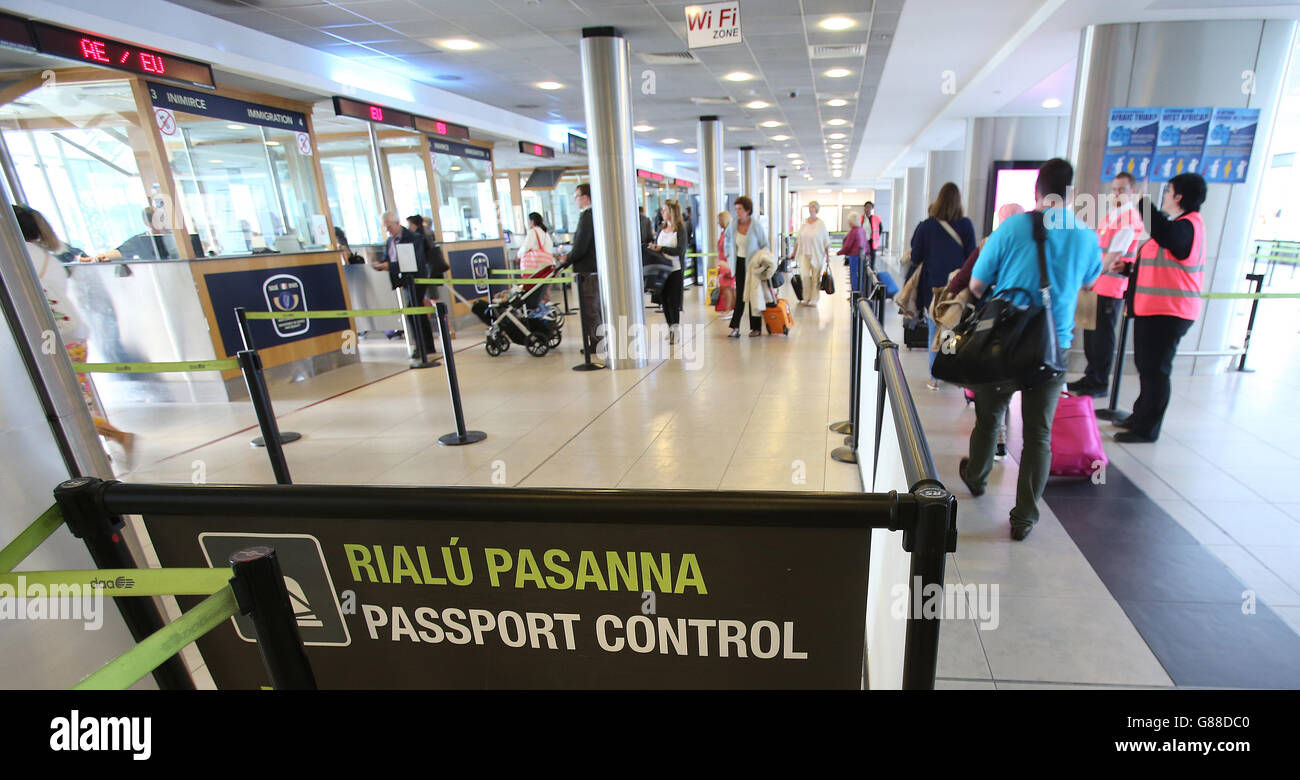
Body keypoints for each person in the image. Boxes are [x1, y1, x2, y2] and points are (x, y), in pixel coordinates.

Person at [959, 158, 1103, 541]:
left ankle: (976, 477)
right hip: (1053, 348)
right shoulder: (1086, 235)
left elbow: (975, 286)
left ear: (1036, 190)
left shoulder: (1012, 228)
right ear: (1070, 192)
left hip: (1003, 344)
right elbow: (1090, 281)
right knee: (1039, 434)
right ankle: (1024, 518)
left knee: (990, 418)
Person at [14, 205, 135, 461]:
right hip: (71, 334)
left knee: (65, 400)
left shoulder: (19, 256)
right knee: (78, 395)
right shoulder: (46, 256)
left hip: (51, 338)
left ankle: (114, 437)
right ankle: (100, 446)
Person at [1112, 173, 1207, 443]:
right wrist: (1129, 268)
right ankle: (1139, 417)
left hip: (1169, 311)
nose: (1164, 196)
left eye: (1168, 192)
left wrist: (1142, 201)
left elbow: (1166, 235)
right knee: (1147, 367)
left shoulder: (1188, 226)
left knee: (1156, 370)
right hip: (1155, 309)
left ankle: (1147, 428)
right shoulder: (1180, 226)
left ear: (1178, 196)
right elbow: (1166, 261)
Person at [1068, 172, 1145, 397]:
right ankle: (1091, 376)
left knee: (1102, 336)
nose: (1117, 194)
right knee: (1091, 334)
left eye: (1122, 190)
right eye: (1114, 189)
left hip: (1109, 286)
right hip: (1096, 284)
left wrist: (1091, 276)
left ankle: (1099, 381)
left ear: (1132, 192)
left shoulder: (1129, 218)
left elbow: (1113, 255)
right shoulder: (1111, 215)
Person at [908, 182, 977, 389]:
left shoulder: (927, 226)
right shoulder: (966, 225)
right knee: (950, 327)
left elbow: (916, 255)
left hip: (932, 285)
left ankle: (934, 375)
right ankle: (948, 371)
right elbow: (972, 256)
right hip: (956, 286)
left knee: (933, 328)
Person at [374, 211, 439, 363]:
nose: (387, 230)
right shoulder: (390, 241)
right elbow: (388, 257)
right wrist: (381, 265)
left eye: (388, 226)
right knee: (417, 312)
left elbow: (413, 260)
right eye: (385, 227)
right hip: (403, 280)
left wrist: (389, 265)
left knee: (413, 311)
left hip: (416, 279)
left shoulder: (413, 237)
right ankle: (426, 346)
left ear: (396, 223)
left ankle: (422, 346)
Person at [558, 183, 602, 362]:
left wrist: (567, 258)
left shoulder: (587, 216)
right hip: (593, 270)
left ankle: (596, 343)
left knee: (590, 309)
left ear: (585, 197)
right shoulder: (594, 215)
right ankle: (596, 341)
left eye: (576, 196)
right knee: (593, 308)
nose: (575, 200)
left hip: (588, 271)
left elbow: (581, 246)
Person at [724, 196, 770, 337]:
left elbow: (764, 245)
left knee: (753, 295)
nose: (737, 211)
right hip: (739, 262)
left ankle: (756, 327)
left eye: (740, 209)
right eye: (736, 209)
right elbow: (727, 241)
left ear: (748, 210)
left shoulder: (756, 226)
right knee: (740, 296)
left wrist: (763, 261)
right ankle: (735, 326)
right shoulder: (733, 225)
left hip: (753, 264)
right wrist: (727, 256)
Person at [648, 200, 685, 343]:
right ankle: (670, 328)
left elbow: (679, 250)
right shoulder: (661, 228)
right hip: (661, 270)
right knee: (663, 300)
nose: (662, 213)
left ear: (672, 212)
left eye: (665, 210)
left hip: (674, 269)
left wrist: (661, 248)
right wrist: (654, 248)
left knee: (673, 301)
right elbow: (658, 245)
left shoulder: (680, 229)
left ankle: (675, 331)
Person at [795, 201, 832, 306]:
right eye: (809, 207)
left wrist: (828, 257)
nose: (810, 209)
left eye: (812, 207)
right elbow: (798, 239)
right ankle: (806, 297)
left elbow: (826, 241)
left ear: (816, 210)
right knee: (805, 276)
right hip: (804, 254)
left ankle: (814, 299)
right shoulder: (804, 223)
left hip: (817, 255)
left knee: (815, 278)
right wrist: (794, 253)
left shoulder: (821, 224)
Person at [836, 210, 868, 295]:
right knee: (860, 275)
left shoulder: (854, 231)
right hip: (862, 256)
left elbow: (847, 245)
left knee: (854, 275)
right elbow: (866, 243)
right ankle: (859, 292)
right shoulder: (861, 230)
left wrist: (839, 253)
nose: (848, 223)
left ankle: (855, 294)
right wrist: (868, 254)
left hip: (854, 256)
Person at [863, 201, 883, 270]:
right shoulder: (861, 218)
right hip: (863, 241)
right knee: (863, 258)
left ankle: (871, 273)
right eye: (867, 207)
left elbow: (880, 229)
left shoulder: (876, 218)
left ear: (872, 209)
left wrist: (876, 237)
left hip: (872, 241)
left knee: (872, 259)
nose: (868, 209)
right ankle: (863, 273)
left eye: (870, 207)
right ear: (864, 208)